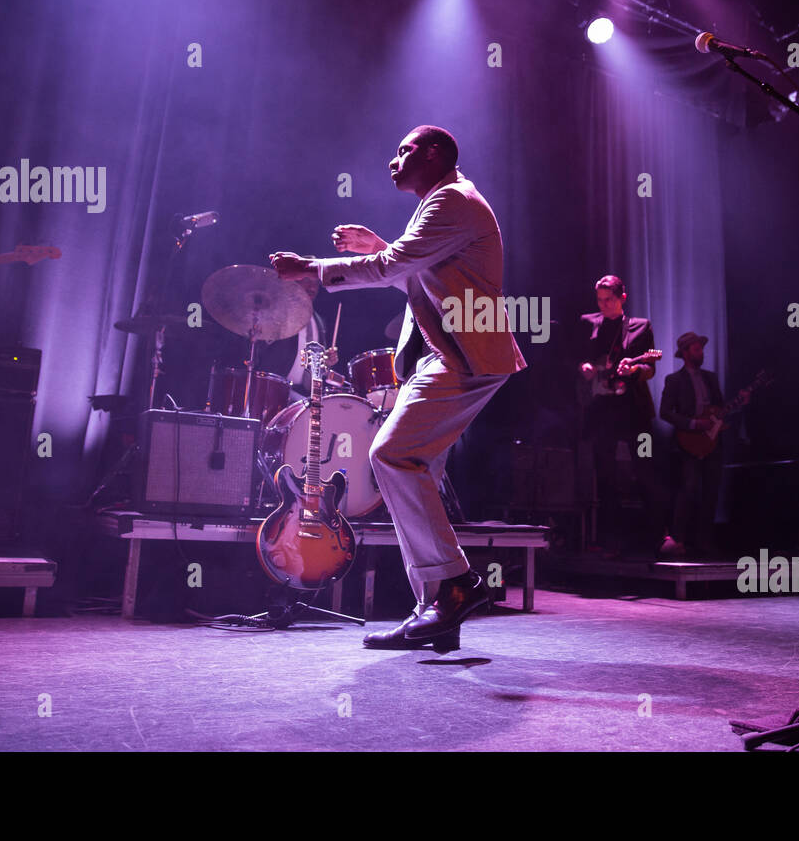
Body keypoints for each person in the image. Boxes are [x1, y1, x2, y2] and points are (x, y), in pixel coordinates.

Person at [270, 126, 525, 650]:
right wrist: (386, 249)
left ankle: (454, 585)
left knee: (390, 455)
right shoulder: (443, 201)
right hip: (447, 354)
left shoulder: (453, 198)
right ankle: (438, 608)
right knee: (411, 467)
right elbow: (415, 268)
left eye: (405, 151)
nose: (393, 160)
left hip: (463, 354)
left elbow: (394, 267)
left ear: (434, 154)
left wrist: (311, 269)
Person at [576, 274, 658, 555]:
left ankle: (655, 536)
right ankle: (611, 540)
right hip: (603, 409)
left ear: (622, 298)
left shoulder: (640, 327)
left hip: (633, 409)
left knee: (645, 467)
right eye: (599, 300)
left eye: (609, 300)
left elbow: (650, 367)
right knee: (605, 473)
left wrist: (635, 369)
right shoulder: (588, 323)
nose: (603, 305)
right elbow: (579, 359)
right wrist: (585, 368)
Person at [659, 331, 725, 557]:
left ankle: (704, 541)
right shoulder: (674, 380)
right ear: (686, 353)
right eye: (697, 349)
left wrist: (735, 407)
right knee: (688, 489)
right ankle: (678, 539)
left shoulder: (711, 378)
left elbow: (720, 408)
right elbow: (665, 412)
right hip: (687, 442)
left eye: (701, 349)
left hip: (711, 442)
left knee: (711, 490)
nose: (701, 353)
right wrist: (694, 424)